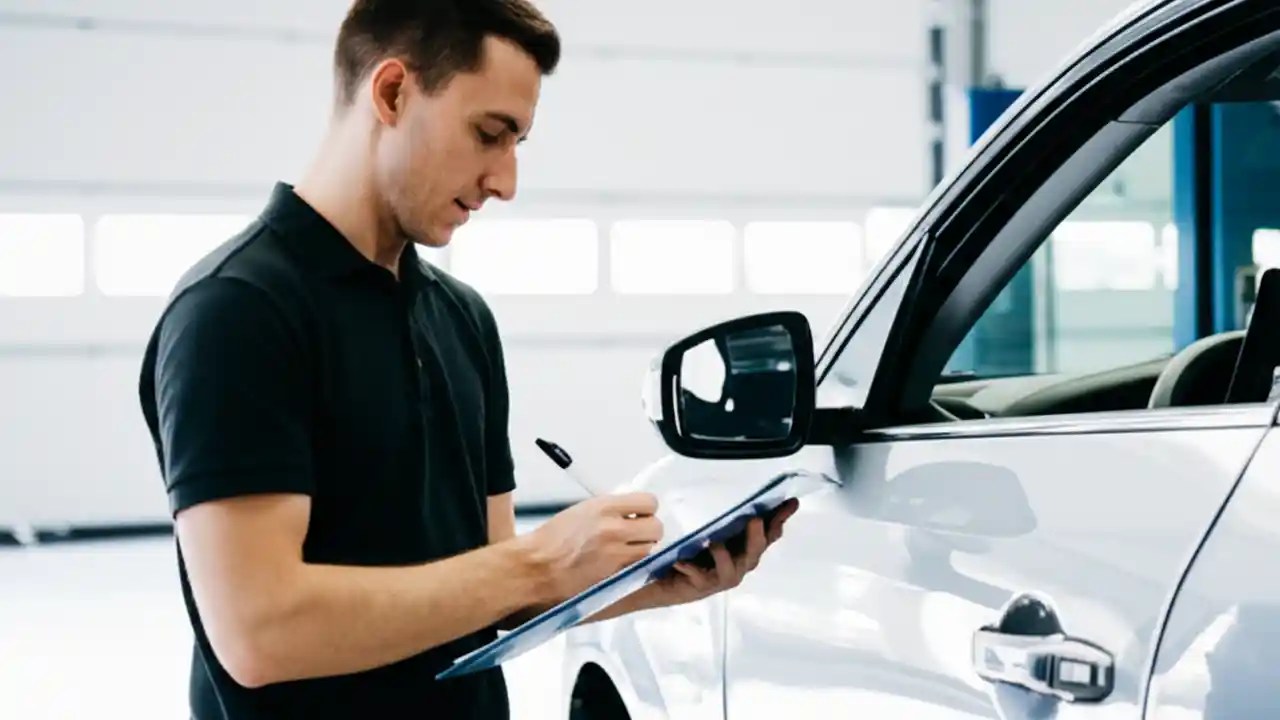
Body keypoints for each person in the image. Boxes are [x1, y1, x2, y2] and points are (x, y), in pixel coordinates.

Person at [135, 1, 798, 718]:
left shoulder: (462, 319)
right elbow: (260, 632)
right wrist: (540, 561)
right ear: (391, 93)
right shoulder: (238, 311)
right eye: (490, 135)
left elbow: (489, 591)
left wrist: (650, 582)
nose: (505, 181)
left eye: (517, 143)